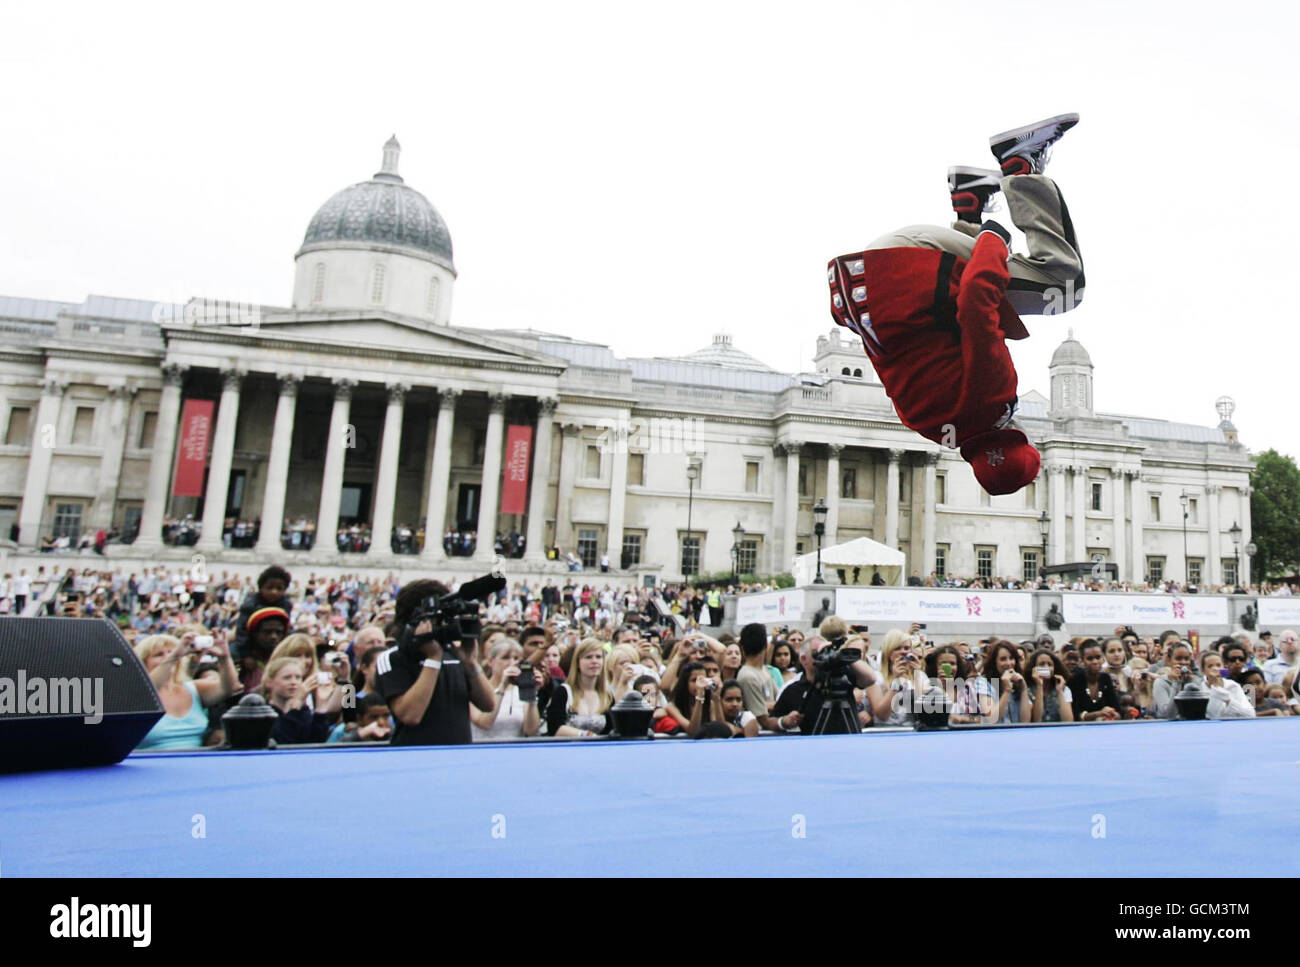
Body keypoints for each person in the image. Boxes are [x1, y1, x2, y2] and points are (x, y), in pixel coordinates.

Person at [826, 114, 1084, 496]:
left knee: (1063, 286)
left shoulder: (991, 403)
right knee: (995, 293)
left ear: (1019, 437)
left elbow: (977, 300)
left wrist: (994, 240)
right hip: (867, 282)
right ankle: (969, 199)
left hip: (910, 259)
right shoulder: (932, 426)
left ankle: (1020, 165)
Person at [375, 579, 496, 746]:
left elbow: (488, 704)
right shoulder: (392, 658)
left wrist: (470, 663)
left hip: (458, 756)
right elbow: (410, 715)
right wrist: (433, 659)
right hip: (413, 757)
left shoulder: (453, 652)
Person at [768, 617, 881, 735]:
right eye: (818, 653)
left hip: (848, 746)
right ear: (803, 659)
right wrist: (784, 722)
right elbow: (770, 721)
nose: (824, 655)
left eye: (826, 651)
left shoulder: (844, 678)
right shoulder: (794, 689)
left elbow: (871, 678)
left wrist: (842, 655)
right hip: (815, 749)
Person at [134, 632, 238, 750]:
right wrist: (174, 655)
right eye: (159, 655)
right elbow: (149, 690)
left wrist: (224, 658)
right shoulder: (134, 693)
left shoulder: (194, 688)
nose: (166, 657)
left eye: (170, 652)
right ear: (143, 662)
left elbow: (229, 688)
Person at [471, 638, 544, 739]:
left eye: (516, 658)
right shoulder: (477, 688)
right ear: (491, 661)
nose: (511, 663)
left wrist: (532, 692)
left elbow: (531, 731)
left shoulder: (520, 691)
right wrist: (502, 687)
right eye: (505, 658)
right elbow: (485, 723)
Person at [545, 637, 614, 737]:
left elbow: (612, 730)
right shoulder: (563, 692)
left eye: (598, 657)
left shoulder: (607, 695)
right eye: (588, 657)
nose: (594, 661)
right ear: (577, 662)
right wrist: (585, 735)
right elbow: (554, 728)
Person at [261, 657, 331, 744]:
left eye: (298, 678)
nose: (293, 682)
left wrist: (321, 706)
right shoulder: (264, 713)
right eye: (287, 678)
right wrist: (296, 704)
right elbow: (282, 741)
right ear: (269, 682)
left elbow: (317, 742)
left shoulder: (303, 712)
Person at [231, 565, 292, 661]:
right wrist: (246, 655)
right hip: (251, 645)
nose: (274, 592)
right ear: (261, 588)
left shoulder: (286, 605)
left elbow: (286, 629)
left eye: (279, 589)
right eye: (269, 588)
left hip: (275, 644)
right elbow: (242, 631)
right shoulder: (250, 605)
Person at [1069, 639, 1121, 722]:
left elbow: (1118, 710)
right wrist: (1098, 714)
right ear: (1082, 661)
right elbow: (1074, 716)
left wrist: (1113, 714)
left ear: (1103, 659)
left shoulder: (1106, 678)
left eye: (1098, 657)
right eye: (1090, 658)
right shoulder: (1074, 681)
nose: (1095, 662)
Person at [736, 622, 779, 722]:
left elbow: (780, 699)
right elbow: (760, 716)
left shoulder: (764, 669)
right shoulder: (747, 676)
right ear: (766, 645)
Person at [1198, 651, 1255, 719]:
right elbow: (1212, 715)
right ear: (1203, 670)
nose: (1215, 669)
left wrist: (1228, 699)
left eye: (1218, 665)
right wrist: (1217, 688)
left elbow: (1250, 714)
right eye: (1210, 666)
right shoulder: (1200, 690)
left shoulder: (1233, 686)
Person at [1025, 649, 1074, 723]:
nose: (1046, 667)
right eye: (1042, 664)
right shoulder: (1028, 691)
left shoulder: (1064, 689)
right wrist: (1039, 686)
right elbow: (1037, 720)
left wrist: (1060, 692)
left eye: (1050, 664)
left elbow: (1068, 721)